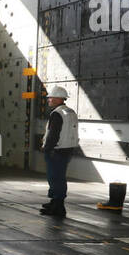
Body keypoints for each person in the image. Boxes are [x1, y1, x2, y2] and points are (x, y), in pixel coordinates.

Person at [40, 85, 78, 216]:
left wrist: (47, 148)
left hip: (56, 150)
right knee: (59, 177)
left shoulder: (57, 113)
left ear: (57, 99)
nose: (48, 100)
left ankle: (58, 206)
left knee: (54, 177)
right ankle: (55, 202)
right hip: (67, 149)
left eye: (50, 97)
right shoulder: (70, 112)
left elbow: (53, 134)